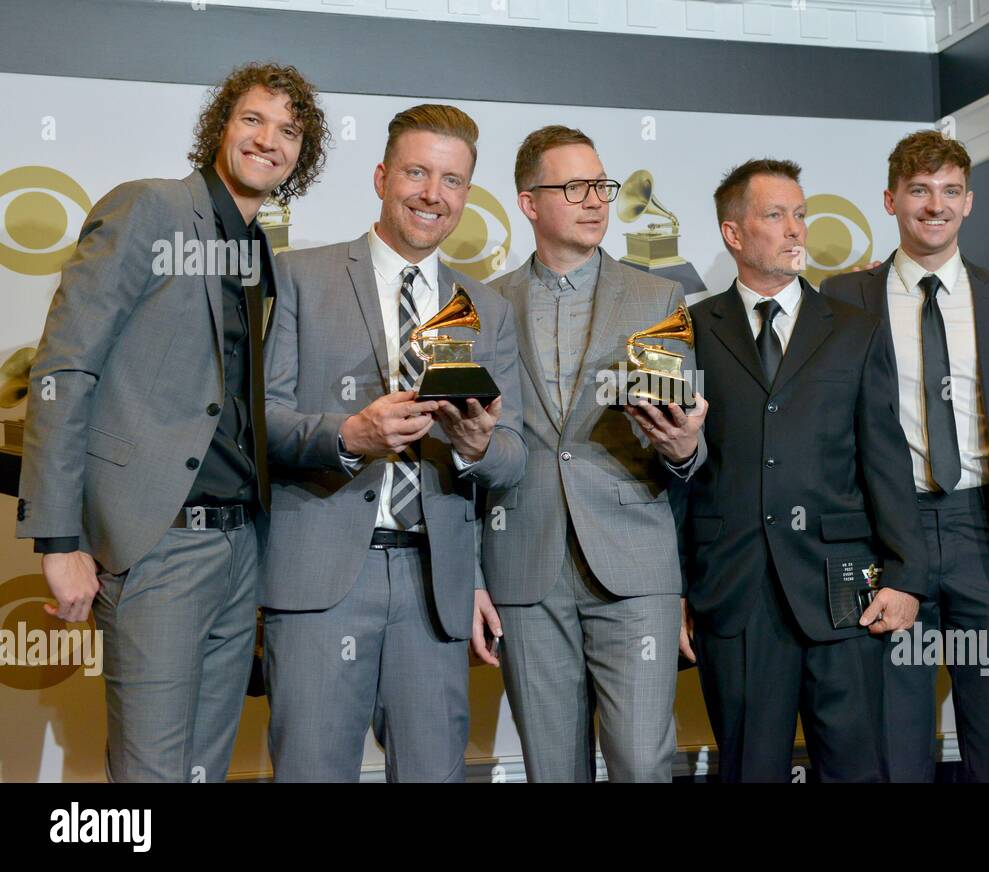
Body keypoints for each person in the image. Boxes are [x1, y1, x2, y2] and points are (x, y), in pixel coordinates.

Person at [16, 62, 329, 781]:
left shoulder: (258, 251)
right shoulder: (148, 211)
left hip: (241, 545)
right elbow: (66, 372)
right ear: (221, 125)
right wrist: (60, 537)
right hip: (158, 545)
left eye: (289, 131)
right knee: (151, 773)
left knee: (202, 770)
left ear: (300, 158)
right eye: (253, 119)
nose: (268, 140)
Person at [260, 104, 526, 782]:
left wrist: (473, 445)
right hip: (321, 580)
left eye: (453, 180)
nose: (433, 194)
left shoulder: (486, 308)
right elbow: (259, 422)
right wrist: (349, 436)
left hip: (433, 586)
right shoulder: (298, 276)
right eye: (416, 172)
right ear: (381, 176)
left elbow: (513, 455)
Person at [679, 158, 927, 782]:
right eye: (775, 216)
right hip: (734, 592)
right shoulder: (690, 331)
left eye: (800, 214)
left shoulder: (855, 329)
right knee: (749, 771)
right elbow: (673, 472)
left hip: (843, 589)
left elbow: (886, 457)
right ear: (734, 235)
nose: (795, 230)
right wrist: (676, 588)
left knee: (855, 770)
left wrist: (906, 575)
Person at [481, 125, 707, 782]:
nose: (595, 201)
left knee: (641, 763)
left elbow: (682, 439)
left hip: (633, 566)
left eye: (601, 186)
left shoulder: (657, 297)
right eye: (575, 187)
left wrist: (685, 446)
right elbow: (467, 453)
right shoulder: (488, 304)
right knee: (553, 768)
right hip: (525, 564)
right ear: (529, 202)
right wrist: (472, 575)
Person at [821, 131, 989, 782]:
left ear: (969, 203)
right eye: (919, 191)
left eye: (949, 191)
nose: (934, 205)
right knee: (895, 742)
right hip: (889, 536)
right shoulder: (844, 297)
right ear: (891, 200)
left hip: (988, 535)